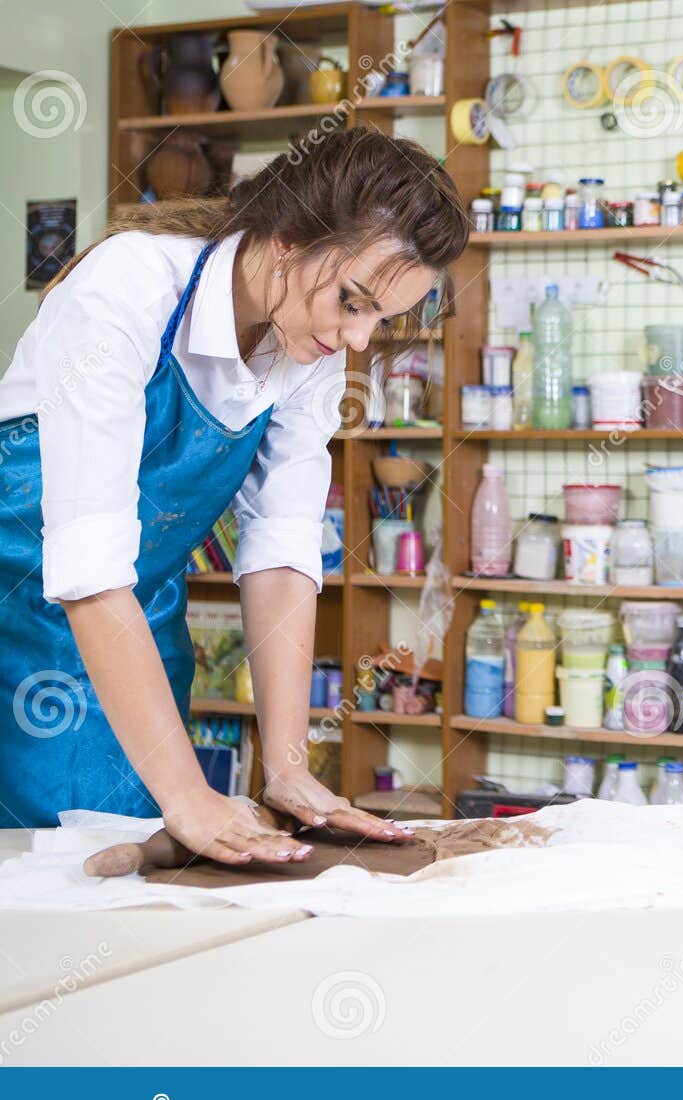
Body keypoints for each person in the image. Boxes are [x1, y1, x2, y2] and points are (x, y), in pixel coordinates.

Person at [0, 127, 469, 866]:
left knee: (130, 864)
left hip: (135, 617)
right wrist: (188, 793)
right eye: (353, 301)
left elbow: (282, 551)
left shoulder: (304, 343)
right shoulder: (127, 289)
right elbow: (88, 563)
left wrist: (285, 767)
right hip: (20, 605)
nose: (357, 339)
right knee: (34, 878)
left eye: (381, 318)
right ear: (286, 238)